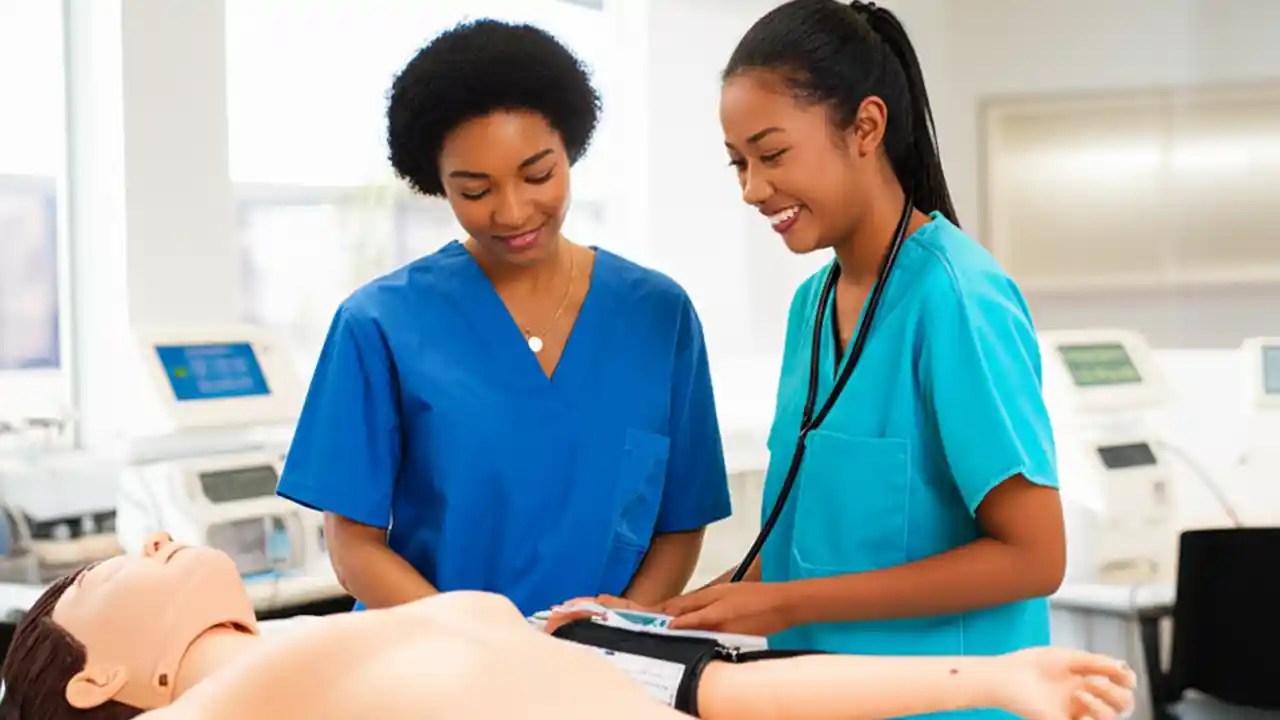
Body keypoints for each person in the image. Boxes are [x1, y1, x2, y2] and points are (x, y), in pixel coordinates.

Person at [588, 0, 1067, 711]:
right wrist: (664, 619)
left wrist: (783, 606)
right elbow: (808, 551)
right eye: (739, 163)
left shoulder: (957, 299)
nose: (753, 188)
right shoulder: (812, 307)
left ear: (865, 127)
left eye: (772, 154)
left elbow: (1035, 558)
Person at [275, 18, 731, 617]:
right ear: (436, 184)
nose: (513, 211)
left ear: (571, 149)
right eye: (474, 190)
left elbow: (679, 522)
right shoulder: (379, 324)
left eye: (538, 174)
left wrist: (613, 633)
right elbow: (354, 548)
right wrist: (490, 649)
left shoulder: (658, 315)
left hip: (599, 673)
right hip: (433, 670)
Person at [0, 533, 1136, 719]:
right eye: (101, 576)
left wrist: (988, 672)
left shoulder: (543, 634)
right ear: (102, 686)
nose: (144, 545)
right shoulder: (211, 706)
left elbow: (732, 693)